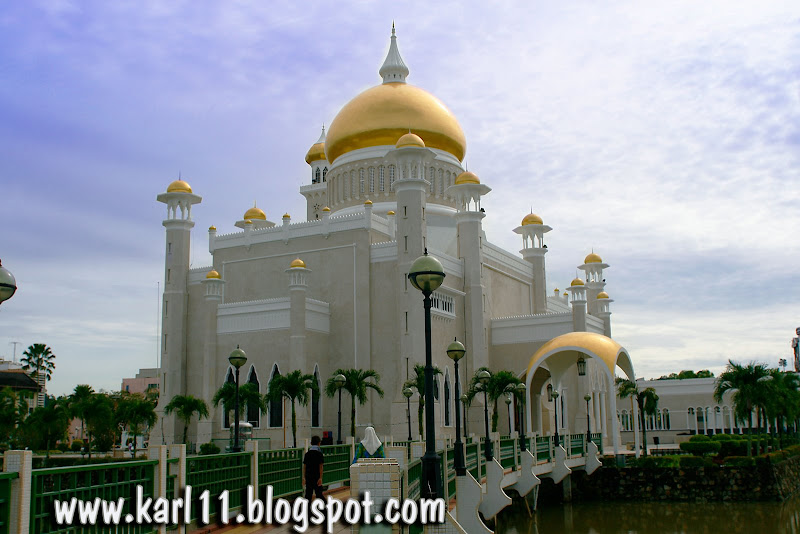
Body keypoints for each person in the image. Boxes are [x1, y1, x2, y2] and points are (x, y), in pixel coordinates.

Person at [303, 435, 324, 500]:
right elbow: (321, 467)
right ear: (319, 443)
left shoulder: (307, 454)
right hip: (316, 476)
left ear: (311, 443)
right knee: (319, 494)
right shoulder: (319, 454)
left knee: (308, 494)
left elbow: (304, 466)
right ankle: (326, 507)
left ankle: (306, 508)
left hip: (308, 476)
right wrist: (320, 478)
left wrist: (304, 477)